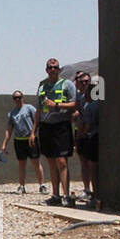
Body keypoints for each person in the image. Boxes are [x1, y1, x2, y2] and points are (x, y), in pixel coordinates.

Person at [33, 58, 78, 207]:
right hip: (46, 127)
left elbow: (74, 103)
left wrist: (57, 105)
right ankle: (55, 195)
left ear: (59, 69)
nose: (53, 70)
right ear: (46, 70)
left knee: (62, 161)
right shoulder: (42, 86)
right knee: (51, 162)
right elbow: (39, 109)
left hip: (61, 126)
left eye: (55, 67)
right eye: (50, 67)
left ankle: (66, 195)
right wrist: (34, 131)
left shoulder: (67, 84)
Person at [0, 90, 46, 194]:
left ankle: (42, 185)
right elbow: (9, 129)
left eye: (19, 97)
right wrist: (4, 144)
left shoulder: (29, 108)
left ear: (22, 97)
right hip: (19, 141)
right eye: (15, 98)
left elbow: (37, 121)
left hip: (31, 139)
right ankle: (22, 186)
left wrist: (33, 134)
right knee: (21, 164)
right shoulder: (12, 113)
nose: (17, 100)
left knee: (36, 162)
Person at [74, 72, 100, 207]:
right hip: (86, 136)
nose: (84, 84)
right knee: (86, 163)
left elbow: (88, 122)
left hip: (92, 136)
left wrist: (82, 134)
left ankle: (96, 195)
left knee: (93, 166)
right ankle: (89, 190)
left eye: (86, 82)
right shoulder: (81, 99)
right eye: (81, 81)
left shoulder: (94, 102)